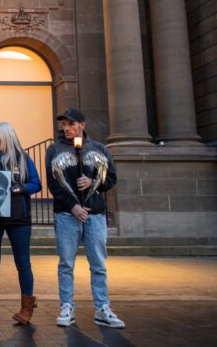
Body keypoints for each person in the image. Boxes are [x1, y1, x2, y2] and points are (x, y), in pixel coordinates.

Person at [45, 108, 124, 328]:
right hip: (66, 215)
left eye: (71, 124)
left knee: (98, 264)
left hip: (95, 214)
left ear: (82, 125)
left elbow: (111, 179)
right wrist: (73, 207)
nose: (67, 129)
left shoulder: (99, 149)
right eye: (64, 125)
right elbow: (54, 184)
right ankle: (67, 306)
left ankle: (102, 307)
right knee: (66, 264)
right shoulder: (54, 150)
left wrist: (92, 182)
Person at [0, 122, 42, 325]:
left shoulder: (22, 158)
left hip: (18, 218)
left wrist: (19, 188)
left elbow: (36, 184)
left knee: (23, 264)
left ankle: (26, 309)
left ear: (8, 136)